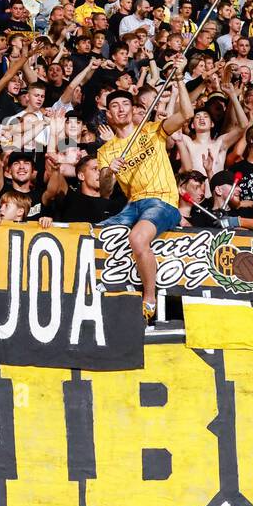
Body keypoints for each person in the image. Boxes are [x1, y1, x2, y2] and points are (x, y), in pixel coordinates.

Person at [97, 63, 193, 323]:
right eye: (115, 106)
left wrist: (181, 79)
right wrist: (109, 173)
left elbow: (186, 114)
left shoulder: (152, 130)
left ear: (131, 109)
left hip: (161, 200)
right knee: (95, 236)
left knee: (138, 239)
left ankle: (149, 298)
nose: (121, 108)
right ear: (109, 114)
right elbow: (105, 192)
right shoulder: (107, 150)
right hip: (132, 205)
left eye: (125, 104)